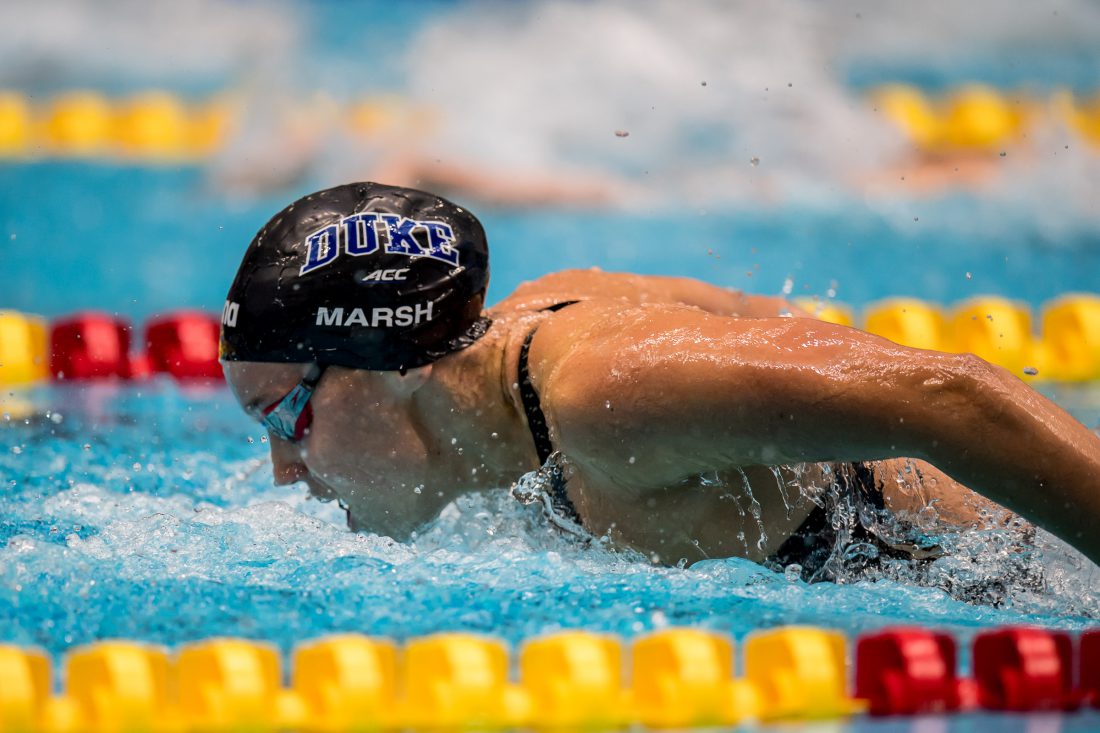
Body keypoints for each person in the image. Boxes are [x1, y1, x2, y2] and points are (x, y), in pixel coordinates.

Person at [219, 182, 1100, 578]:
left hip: (1023, 574)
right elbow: (768, 319)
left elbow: (944, 394)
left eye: (285, 415)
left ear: (391, 364)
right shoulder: (538, 349)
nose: (283, 472)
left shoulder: (606, 396)